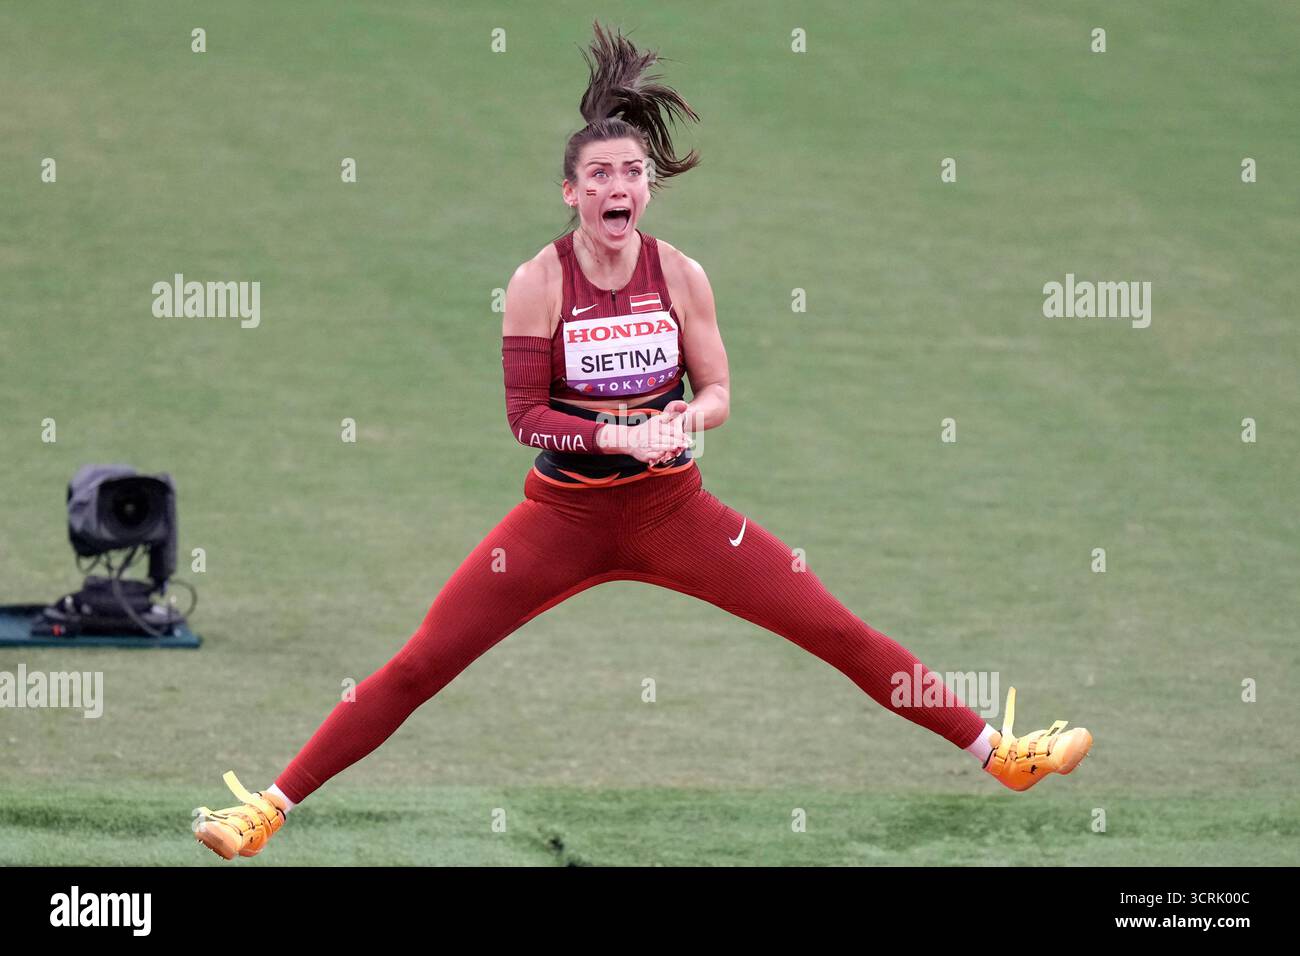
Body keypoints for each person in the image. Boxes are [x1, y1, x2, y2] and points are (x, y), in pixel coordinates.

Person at [193, 21, 1092, 861]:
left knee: (832, 626)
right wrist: (618, 436)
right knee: (424, 661)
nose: (616, 189)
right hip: (564, 519)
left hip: (674, 511)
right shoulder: (538, 282)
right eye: (599, 178)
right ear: (572, 193)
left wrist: (684, 422)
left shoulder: (683, 276)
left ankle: (999, 754)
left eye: (630, 173)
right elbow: (524, 418)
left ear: (647, 185)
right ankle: (267, 809)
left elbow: (722, 392)